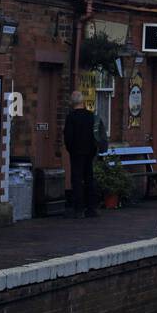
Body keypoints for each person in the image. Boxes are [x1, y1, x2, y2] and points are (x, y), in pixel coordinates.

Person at [63, 90, 100, 218]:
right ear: (82, 102)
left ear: (72, 103)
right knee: (89, 179)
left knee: (77, 180)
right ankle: (91, 208)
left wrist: (71, 149)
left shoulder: (71, 117)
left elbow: (68, 136)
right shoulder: (90, 116)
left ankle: (79, 209)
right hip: (90, 152)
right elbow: (96, 134)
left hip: (77, 153)